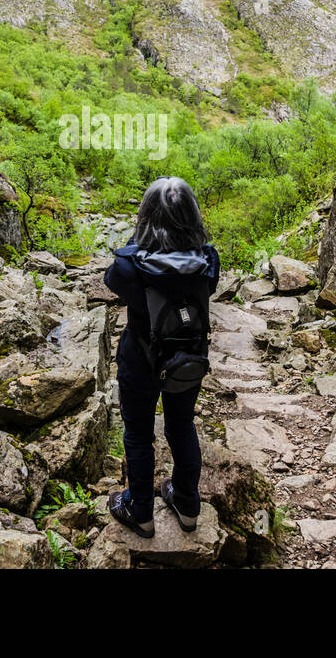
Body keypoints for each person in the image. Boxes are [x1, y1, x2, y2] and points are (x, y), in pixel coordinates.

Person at [104, 176, 220, 538]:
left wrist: (135, 242)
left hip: (140, 358)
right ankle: (186, 503)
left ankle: (140, 510)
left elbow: (112, 281)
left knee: (138, 434)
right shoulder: (208, 260)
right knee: (181, 425)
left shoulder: (129, 266)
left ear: (146, 217)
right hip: (187, 357)